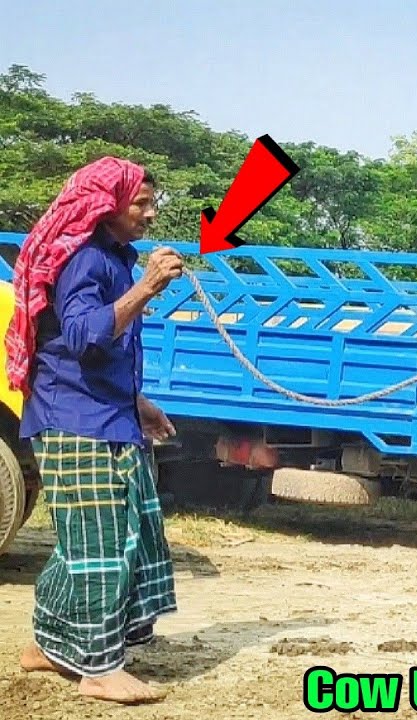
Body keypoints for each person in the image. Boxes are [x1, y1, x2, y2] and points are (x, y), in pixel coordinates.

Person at [6, 156, 184, 704]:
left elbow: (84, 349)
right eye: (141, 204)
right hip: (77, 422)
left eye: (152, 204)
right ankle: (100, 670)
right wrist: (148, 287)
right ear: (107, 207)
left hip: (102, 415)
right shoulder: (85, 259)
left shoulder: (108, 258)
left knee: (90, 540)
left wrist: (138, 402)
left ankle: (47, 646)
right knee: (103, 545)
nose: (150, 214)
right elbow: (84, 334)